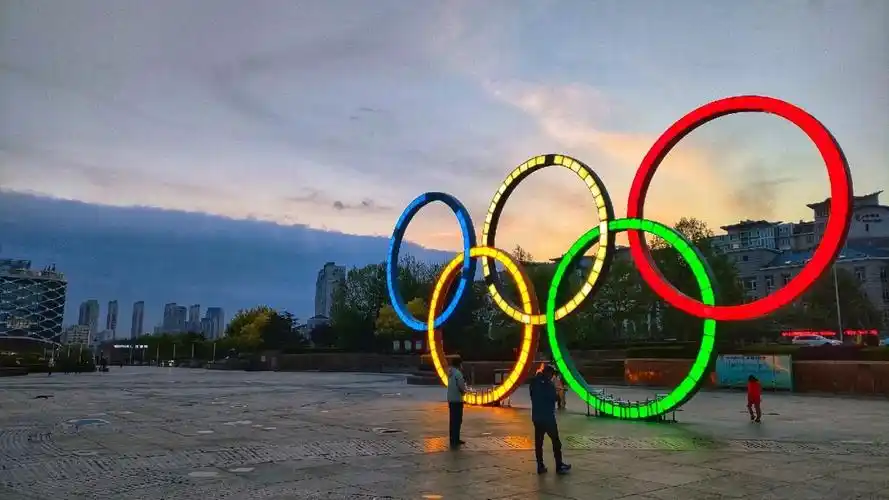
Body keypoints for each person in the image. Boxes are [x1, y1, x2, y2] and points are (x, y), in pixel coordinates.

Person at [530, 365, 571, 475]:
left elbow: (532, 395)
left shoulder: (534, 382)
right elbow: (554, 399)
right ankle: (559, 465)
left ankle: (540, 466)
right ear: (548, 373)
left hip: (536, 417)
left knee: (539, 444)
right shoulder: (549, 385)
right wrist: (559, 393)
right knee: (556, 442)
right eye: (552, 374)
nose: (553, 376)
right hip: (548, 418)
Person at [447, 356, 467, 448]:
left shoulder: (450, 373)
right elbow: (461, 386)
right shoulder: (458, 374)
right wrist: (464, 392)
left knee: (452, 420)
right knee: (457, 420)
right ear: (459, 364)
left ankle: (452, 438)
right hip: (457, 400)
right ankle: (456, 439)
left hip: (451, 399)